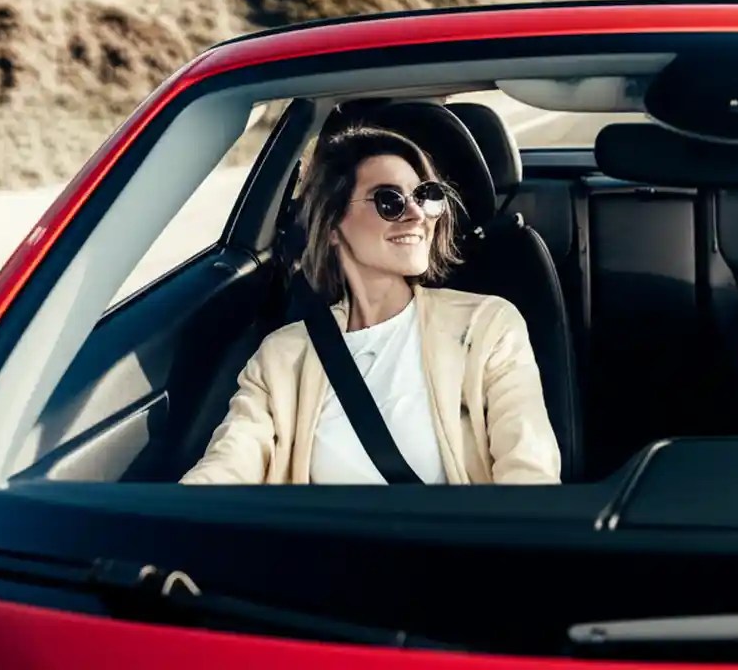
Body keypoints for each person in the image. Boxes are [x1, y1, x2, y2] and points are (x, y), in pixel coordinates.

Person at [181, 124, 561, 485]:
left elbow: (529, 471)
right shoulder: (283, 356)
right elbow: (227, 465)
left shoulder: (487, 326)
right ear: (332, 224)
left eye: (426, 196)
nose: (416, 215)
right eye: (389, 200)